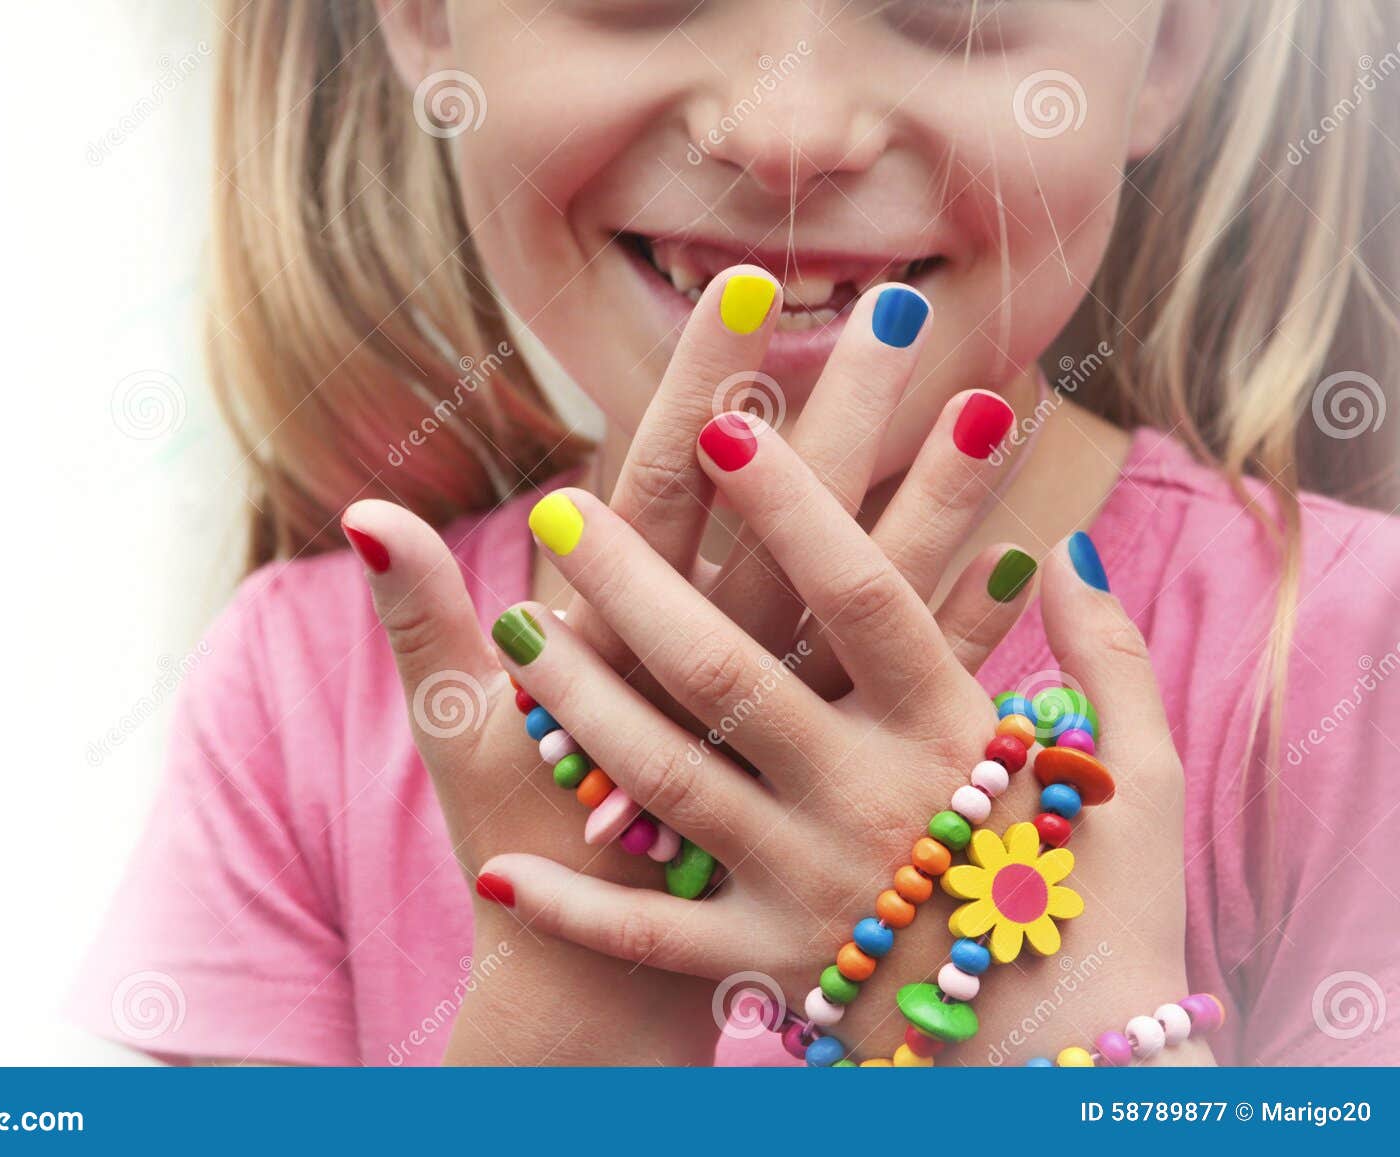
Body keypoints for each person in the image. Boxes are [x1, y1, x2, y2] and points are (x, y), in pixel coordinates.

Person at [71, 0, 1400, 1066]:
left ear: (1164, 46)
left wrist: (1062, 1064)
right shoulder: (297, 696)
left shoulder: (1350, 658)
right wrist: (565, 1044)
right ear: (424, 20)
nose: (788, 129)